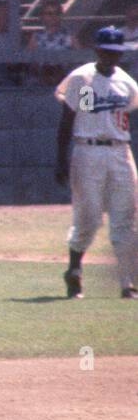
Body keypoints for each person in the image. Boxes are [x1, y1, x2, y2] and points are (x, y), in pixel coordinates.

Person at [54, 26, 138, 300]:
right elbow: (67, 121)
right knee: (88, 216)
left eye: (115, 52)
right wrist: (60, 159)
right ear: (96, 50)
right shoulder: (82, 78)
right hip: (86, 149)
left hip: (119, 151)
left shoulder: (127, 83)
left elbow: (126, 119)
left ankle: (127, 283)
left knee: (126, 217)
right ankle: (74, 269)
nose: (110, 57)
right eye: (105, 51)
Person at [26, 0, 75, 85]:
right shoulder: (36, 37)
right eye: (49, 13)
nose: (53, 16)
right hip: (41, 79)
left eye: (56, 13)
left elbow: (81, 59)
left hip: (63, 79)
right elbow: (27, 60)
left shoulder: (69, 36)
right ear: (43, 16)